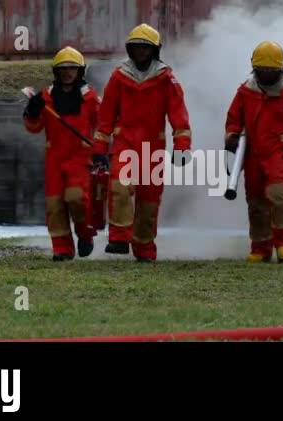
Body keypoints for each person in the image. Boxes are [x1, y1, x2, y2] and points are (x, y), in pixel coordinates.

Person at [93, 23, 192, 262]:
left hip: (153, 148)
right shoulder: (118, 76)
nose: (141, 52)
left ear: (154, 50)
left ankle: (145, 249)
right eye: (137, 48)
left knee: (149, 202)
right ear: (130, 49)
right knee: (119, 188)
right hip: (124, 143)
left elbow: (179, 116)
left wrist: (182, 148)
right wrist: (99, 149)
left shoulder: (167, 78)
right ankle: (118, 238)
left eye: (145, 48)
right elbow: (105, 116)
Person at [225, 41, 283, 263]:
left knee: (278, 195)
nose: (266, 75)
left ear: (281, 69)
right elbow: (234, 118)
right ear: (254, 69)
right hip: (252, 156)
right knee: (255, 202)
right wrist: (231, 137)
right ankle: (260, 248)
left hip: (278, 153)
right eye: (262, 71)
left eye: (270, 71)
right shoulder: (246, 91)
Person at [24, 46, 104, 261]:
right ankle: (62, 249)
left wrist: (102, 151)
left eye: (72, 68)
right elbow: (34, 127)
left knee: (77, 198)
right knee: (54, 204)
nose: (68, 72)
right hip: (54, 158)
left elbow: (104, 126)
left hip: (80, 157)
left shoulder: (90, 98)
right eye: (63, 68)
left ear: (80, 71)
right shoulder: (45, 98)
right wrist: (32, 110)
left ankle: (85, 235)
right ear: (56, 71)